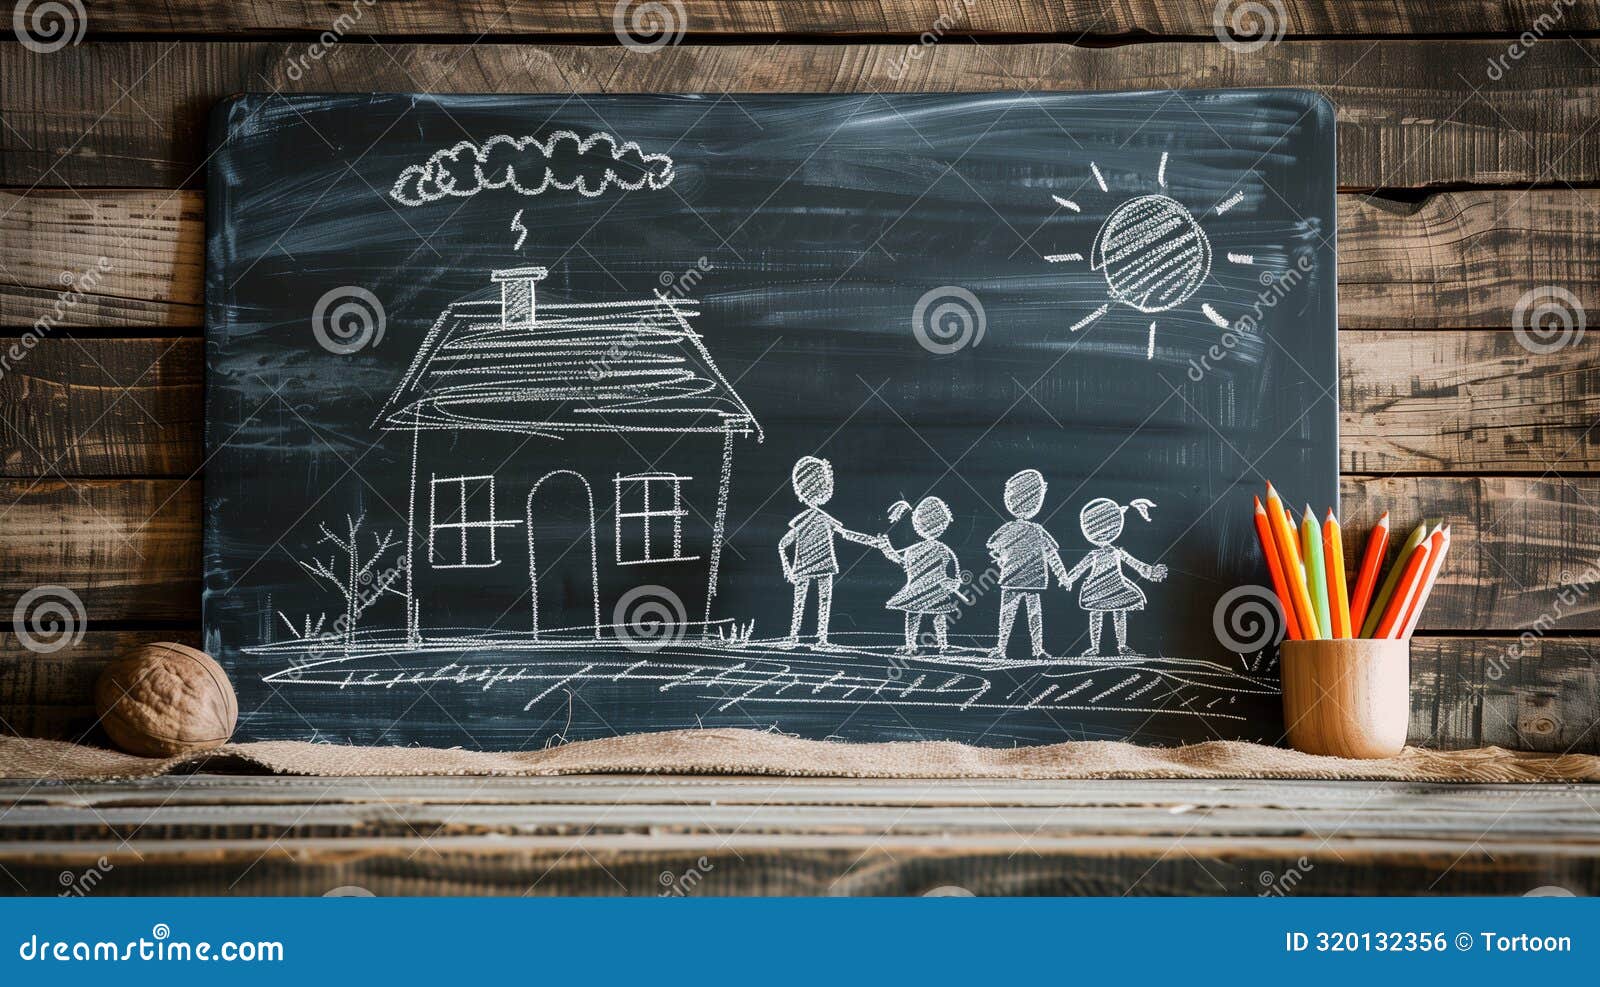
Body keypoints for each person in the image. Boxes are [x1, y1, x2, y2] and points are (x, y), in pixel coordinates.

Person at [778, 456, 882, 650]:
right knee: (817, 601)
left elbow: (782, 544)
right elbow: (847, 534)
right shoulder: (818, 519)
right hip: (815, 564)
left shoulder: (809, 520)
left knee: (805, 601)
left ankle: (805, 638)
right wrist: (873, 541)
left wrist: (873, 541)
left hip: (813, 564)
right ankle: (811, 638)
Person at [1062, 497, 1168, 657]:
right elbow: (1079, 568)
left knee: (1114, 612)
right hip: (1102, 587)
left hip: (1110, 586)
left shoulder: (1114, 552)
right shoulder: (1099, 554)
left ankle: (1119, 646)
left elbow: (1135, 564)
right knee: (1102, 613)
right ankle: (1099, 647)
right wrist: (1068, 579)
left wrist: (1150, 571)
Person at [986, 469, 1070, 659]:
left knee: (1010, 614)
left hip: (1015, 578)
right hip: (1030, 579)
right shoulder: (1037, 531)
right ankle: (1035, 650)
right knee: (1032, 614)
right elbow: (1053, 555)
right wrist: (1062, 576)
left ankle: (1004, 649)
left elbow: (993, 548)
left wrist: (1000, 559)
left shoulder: (1009, 529)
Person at [877, 496, 962, 655]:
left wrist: (885, 547)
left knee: (918, 615)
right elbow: (953, 573)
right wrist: (953, 583)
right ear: (944, 523)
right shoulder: (943, 550)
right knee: (937, 615)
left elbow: (897, 558)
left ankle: (914, 646)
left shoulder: (914, 551)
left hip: (924, 591)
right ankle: (941, 645)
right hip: (933, 591)